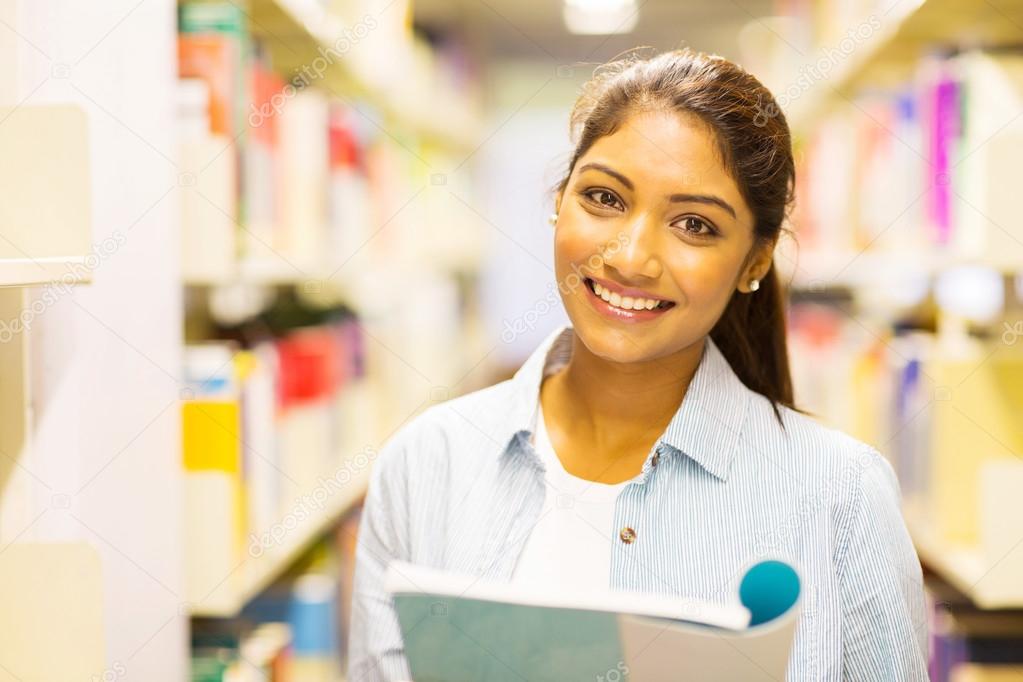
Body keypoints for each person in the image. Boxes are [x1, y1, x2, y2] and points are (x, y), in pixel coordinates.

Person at [347, 48, 929, 681]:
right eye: (604, 197)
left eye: (694, 225)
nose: (632, 257)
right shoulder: (425, 463)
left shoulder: (840, 494)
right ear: (559, 199)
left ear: (755, 262)